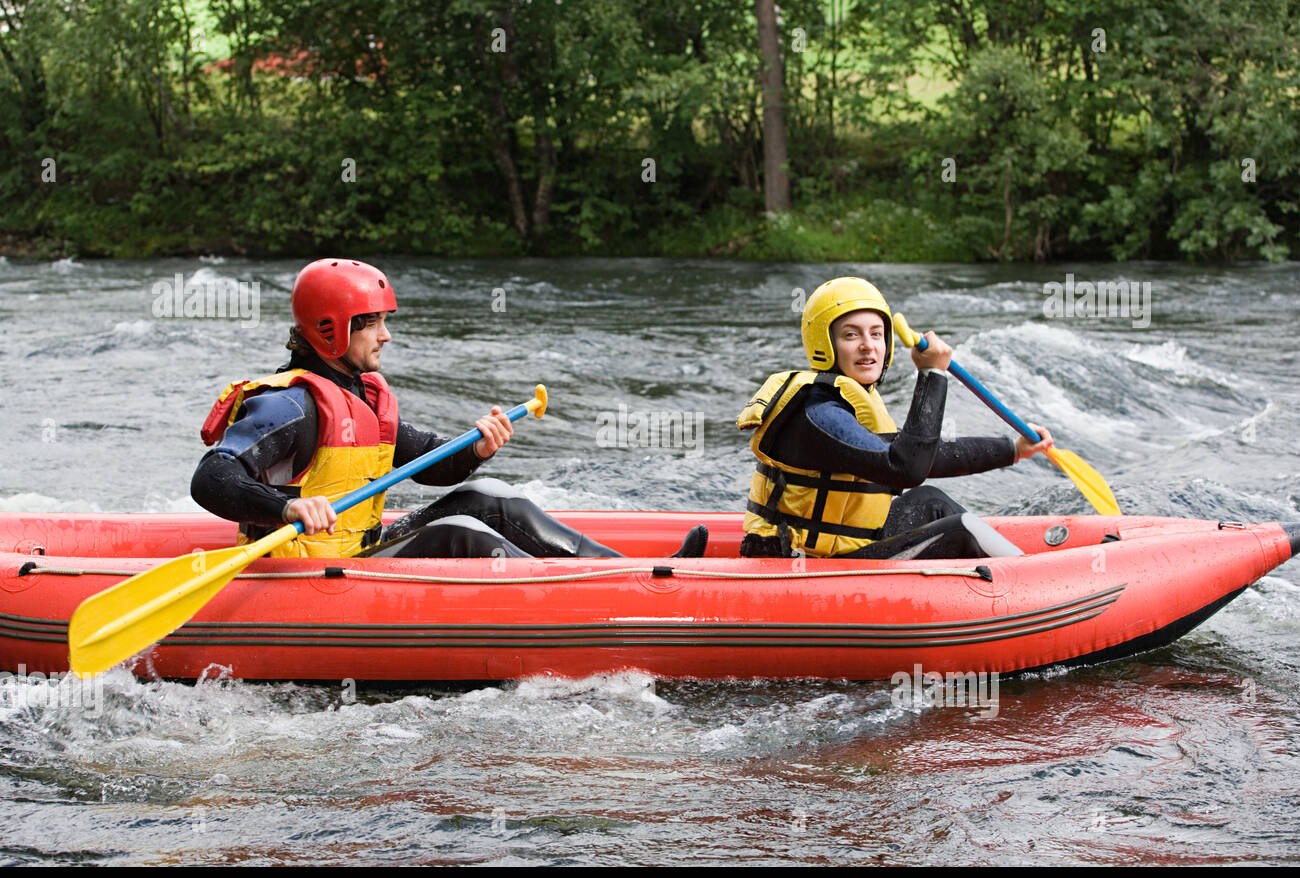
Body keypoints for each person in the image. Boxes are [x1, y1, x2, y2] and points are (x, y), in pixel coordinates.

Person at [192, 258, 708, 560]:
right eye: (372, 324)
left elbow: (430, 463)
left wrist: (475, 449)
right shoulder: (289, 404)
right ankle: (591, 602)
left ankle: (632, 577)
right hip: (309, 575)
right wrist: (286, 507)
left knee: (489, 499)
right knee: (458, 536)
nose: (386, 335)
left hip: (361, 549)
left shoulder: (364, 395)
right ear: (333, 329)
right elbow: (212, 476)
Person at [737, 276, 1053, 560]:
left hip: (840, 550)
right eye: (851, 335)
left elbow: (924, 456)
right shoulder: (819, 412)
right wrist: (931, 375)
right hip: (798, 564)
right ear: (824, 343)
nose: (868, 346)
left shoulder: (845, 402)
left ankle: (1025, 573)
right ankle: (1033, 584)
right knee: (962, 530)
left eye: (876, 334)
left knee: (930, 502)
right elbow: (907, 467)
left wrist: (1012, 449)